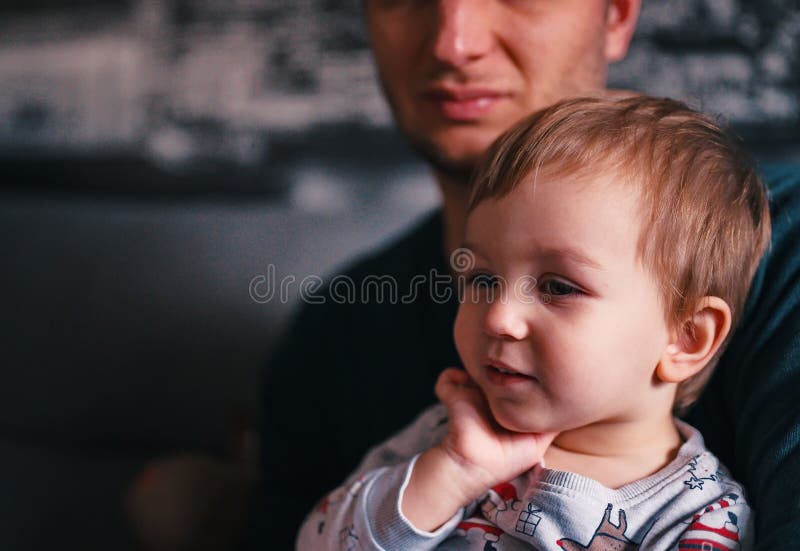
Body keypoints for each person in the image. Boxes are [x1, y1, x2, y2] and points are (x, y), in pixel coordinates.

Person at [259, 1, 800, 548]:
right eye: (481, 279)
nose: (454, 43)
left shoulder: (698, 516)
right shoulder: (431, 424)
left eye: (559, 287)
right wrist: (439, 477)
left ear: (687, 335)